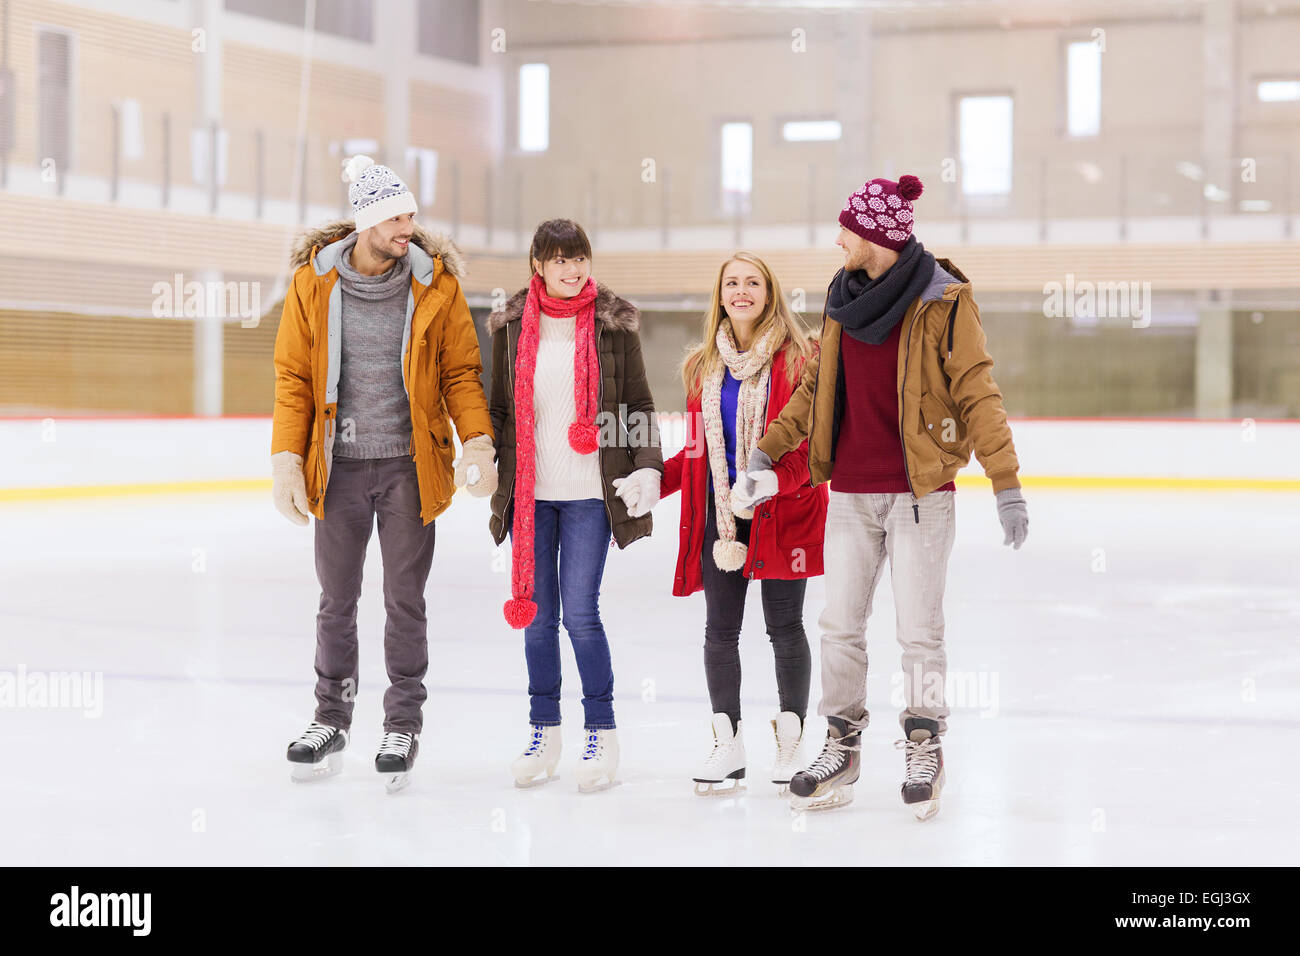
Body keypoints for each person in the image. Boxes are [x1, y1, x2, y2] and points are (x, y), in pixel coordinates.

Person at [735, 174, 1029, 819]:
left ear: (874, 235)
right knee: (840, 627)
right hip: (850, 494)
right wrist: (769, 448)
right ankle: (840, 743)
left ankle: (924, 742)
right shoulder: (844, 302)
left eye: (847, 228)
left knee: (919, 633)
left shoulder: (945, 301)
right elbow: (815, 390)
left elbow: (978, 391)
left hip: (920, 495)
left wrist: (1005, 484)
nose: (838, 237)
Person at [271, 155, 496, 793]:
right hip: (337, 468)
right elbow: (292, 377)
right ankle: (330, 719)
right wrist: (287, 457)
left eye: (411, 215)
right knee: (336, 602)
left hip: (408, 466)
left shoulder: (436, 286)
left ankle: (402, 723)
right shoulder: (312, 283)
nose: (409, 227)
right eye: (396, 216)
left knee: (405, 601)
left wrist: (476, 443)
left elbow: (459, 374)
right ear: (367, 220)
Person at [486, 218, 663, 792]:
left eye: (579, 257)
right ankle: (544, 731)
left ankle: (601, 733)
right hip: (530, 496)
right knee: (536, 618)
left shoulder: (614, 325)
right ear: (537, 265)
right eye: (559, 259)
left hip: (590, 494)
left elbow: (637, 401)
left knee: (581, 615)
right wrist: (481, 455)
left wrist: (648, 467)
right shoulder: (510, 328)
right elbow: (497, 410)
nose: (572, 269)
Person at [658, 252, 827, 796]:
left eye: (753, 281)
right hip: (722, 518)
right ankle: (727, 742)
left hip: (782, 513)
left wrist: (779, 481)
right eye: (732, 282)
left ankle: (791, 739)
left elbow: (816, 445)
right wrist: (651, 485)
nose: (742, 290)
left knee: (784, 628)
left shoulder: (801, 358)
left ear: (770, 291)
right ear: (720, 295)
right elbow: (696, 454)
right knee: (720, 632)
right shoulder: (702, 366)